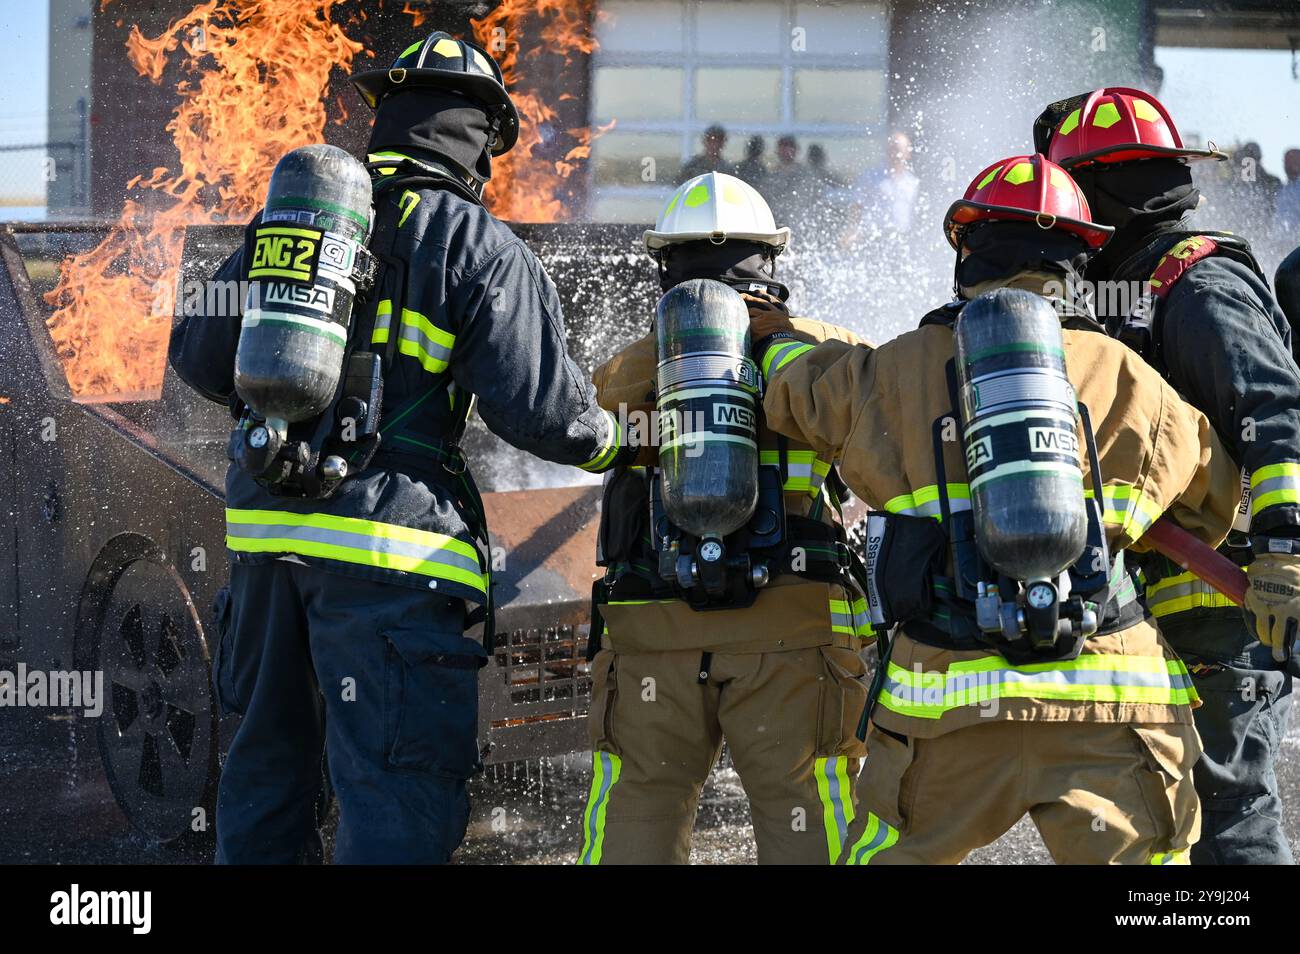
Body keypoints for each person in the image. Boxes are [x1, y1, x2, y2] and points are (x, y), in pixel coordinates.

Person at [168, 30, 629, 864]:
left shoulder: (290, 222)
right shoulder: (477, 244)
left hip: (268, 552)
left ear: (389, 116)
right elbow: (538, 413)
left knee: (267, 776)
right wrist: (616, 447)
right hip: (393, 560)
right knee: (396, 794)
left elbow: (199, 360)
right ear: (479, 136)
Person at [755, 153, 1245, 864]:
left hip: (947, 705)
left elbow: (797, 396)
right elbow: (1211, 506)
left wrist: (773, 334)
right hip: (1112, 703)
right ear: (1081, 256)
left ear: (968, 252)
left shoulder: (896, 368)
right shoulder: (1128, 374)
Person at [1036, 87, 1300, 865]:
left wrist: (1283, 550)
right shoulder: (1116, 286)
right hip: (1148, 602)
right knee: (1161, 820)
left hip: (1228, 600)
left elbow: (1274, 409)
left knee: (1229, 814)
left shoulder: (1193, 279)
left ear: (1103, 189)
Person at [579, 171, 871, 864]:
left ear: (663, 264)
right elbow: (873, 432)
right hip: (792, 633)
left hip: (652, 632)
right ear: (770, 260)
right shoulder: (826, 345)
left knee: (637, 810)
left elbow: (588, 427)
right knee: (805, 814)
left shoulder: (635, 363)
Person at [1274, 149, 1300, 235]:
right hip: (1280, 240)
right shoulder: (1283, 189)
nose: (1287, 165)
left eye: (1292, 160)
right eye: (1286, 161)